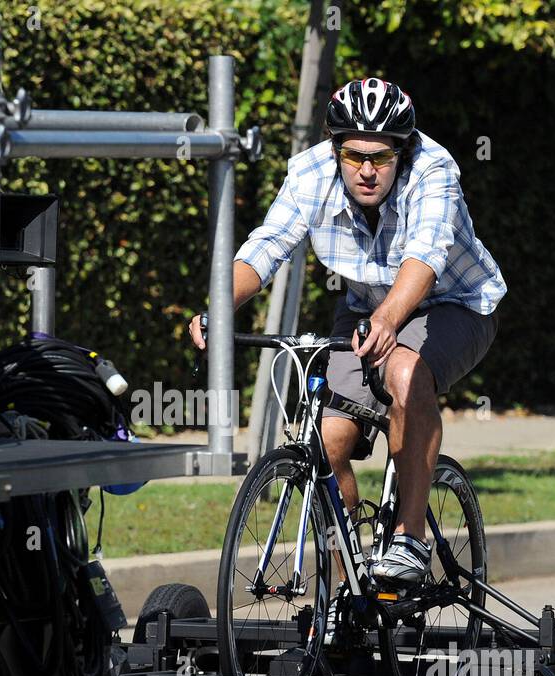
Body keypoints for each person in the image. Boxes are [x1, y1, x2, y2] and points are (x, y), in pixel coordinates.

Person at [189, 77, 506, 587]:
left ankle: (408, 539)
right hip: (367, 308)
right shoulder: (311, 172)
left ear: (402, 151)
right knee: (326, 441)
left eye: (380, 157)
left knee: (404, 371)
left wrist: (388, 322)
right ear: (335, 148)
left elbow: (425, 254)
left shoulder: (434, 170)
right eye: (353, 155)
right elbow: (267, 245)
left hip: (456, 304)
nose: (366, 170)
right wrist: (217, 310)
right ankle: (347, 591)